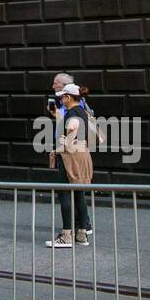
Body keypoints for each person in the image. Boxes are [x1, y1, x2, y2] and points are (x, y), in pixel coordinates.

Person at [47, 82, 93, 249]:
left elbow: (73, 127)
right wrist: (58, 116)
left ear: (68, 97)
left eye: (62, 97)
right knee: (79, 193)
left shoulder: (73, 113)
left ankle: (66, 235)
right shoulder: (82, 110)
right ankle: (81, 234)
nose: (61, 100)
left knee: (65, 193)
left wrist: (62, 146)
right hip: (83, 154)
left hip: (71, 156)